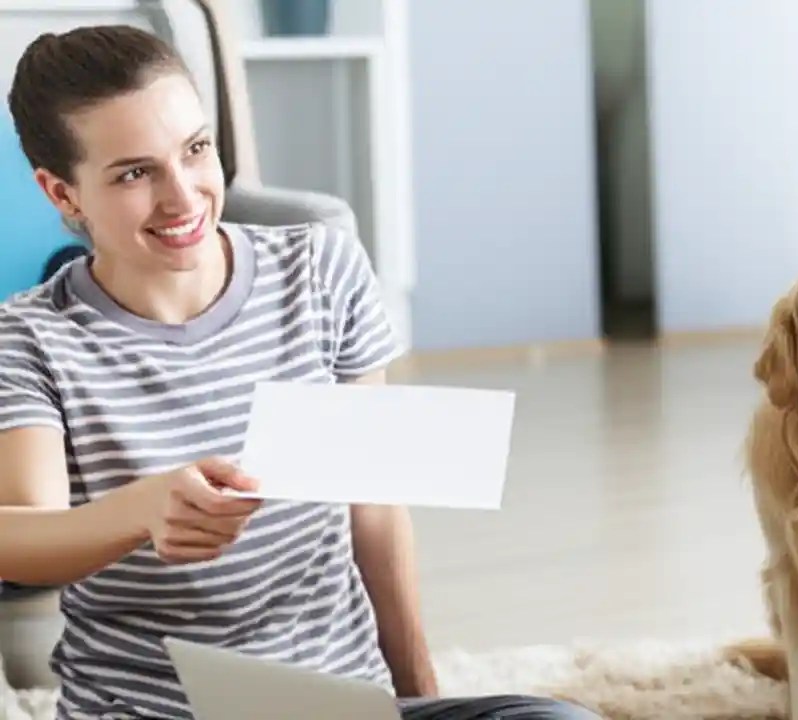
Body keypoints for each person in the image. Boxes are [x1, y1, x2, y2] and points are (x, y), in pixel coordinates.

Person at [0, 25, 595, 720]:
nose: (183, 197)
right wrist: (138, 511)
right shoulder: (30, 338)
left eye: (195, 150)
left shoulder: (320, 269)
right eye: (135, 173)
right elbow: (20, 539)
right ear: (62, 194)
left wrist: (418, 696)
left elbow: (374, 509)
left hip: (348, 704)